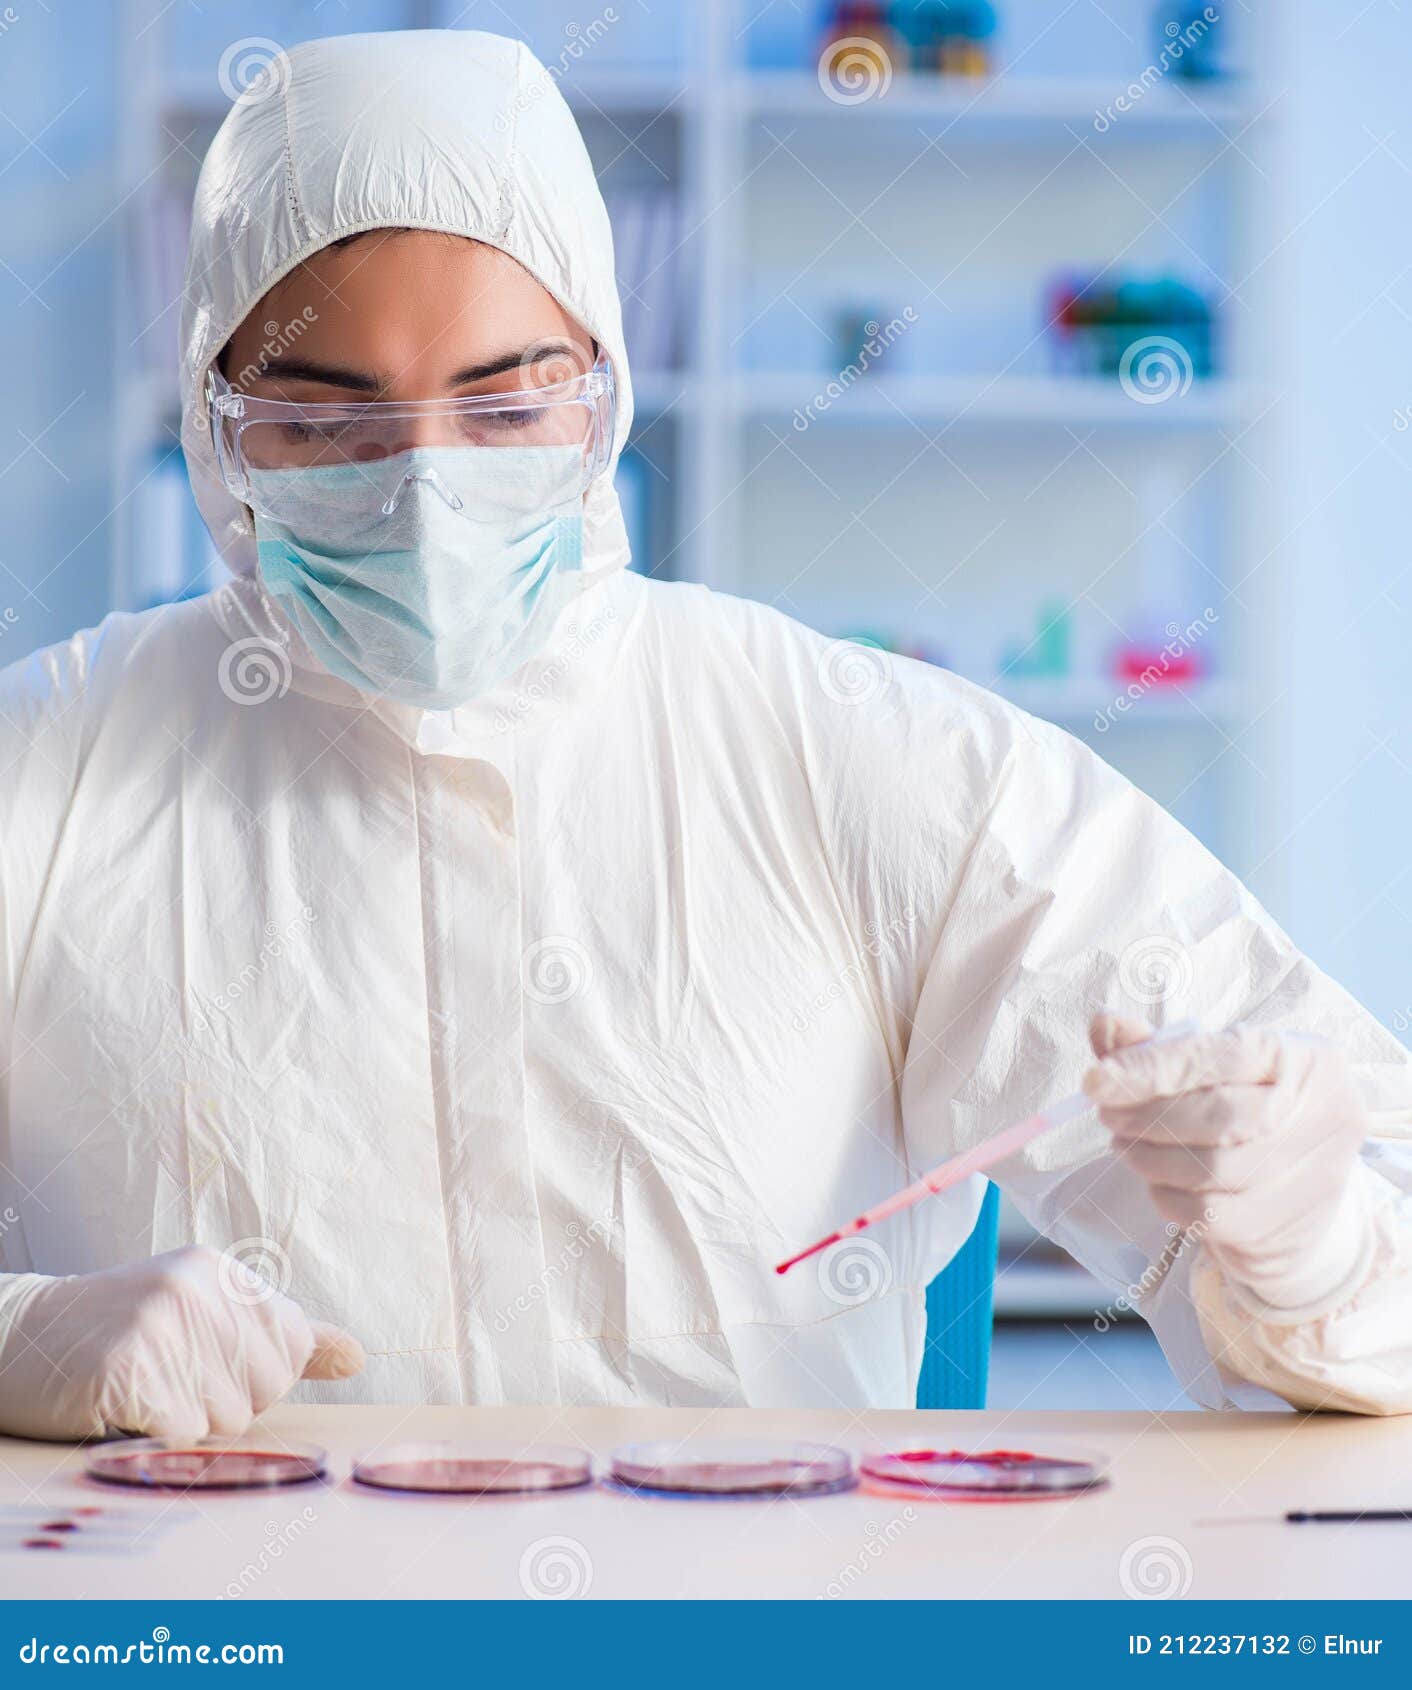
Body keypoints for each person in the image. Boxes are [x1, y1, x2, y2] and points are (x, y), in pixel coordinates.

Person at [0, 30, 1409, 1444]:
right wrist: (17, 1337)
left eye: (506, 402)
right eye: (325, 416)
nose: (425, 494)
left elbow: (1369, 1220)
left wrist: (1314, 1242)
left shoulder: (868, 760)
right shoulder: (41, 771)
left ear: (604, 389)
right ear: (215, 421)